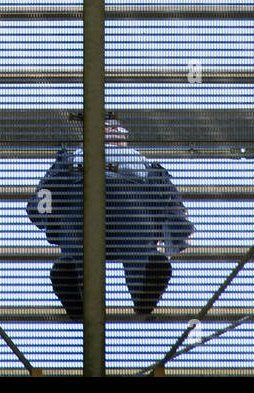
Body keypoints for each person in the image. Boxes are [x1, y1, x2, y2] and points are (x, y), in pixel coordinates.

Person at [26, 120, 194, 320]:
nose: (115, 129)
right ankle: (75, 281)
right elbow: (45, 195)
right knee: (131, 247)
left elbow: (168, 197)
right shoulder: (72, 160)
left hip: (115, 203)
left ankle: (141, 284)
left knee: (132, 246)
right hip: (90, 200)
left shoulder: (145, 165)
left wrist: (179, 229)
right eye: (107, 126)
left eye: (118, 128)